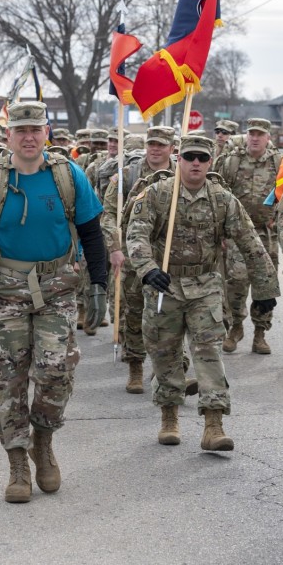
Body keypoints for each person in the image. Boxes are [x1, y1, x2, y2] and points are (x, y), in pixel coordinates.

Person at [0, 101, 107, 504]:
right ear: (9, 136)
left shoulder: (67, 176)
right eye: (20, 130)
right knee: (7, 379)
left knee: (57, 370)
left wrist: (99, 286)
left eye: (35, 130)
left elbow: (92, 234)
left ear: (46, 134)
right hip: (5, 291)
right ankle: (17, 462)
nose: (28, 137)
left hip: (57, 289)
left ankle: (43, 438)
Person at [126, 133, 278, 450]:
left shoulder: (223, 200)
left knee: (209, 353)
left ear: (210, 163)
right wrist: (148, 269)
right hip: (164, 286)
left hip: (205, 286)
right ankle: (169, 417)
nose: (196, 163)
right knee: (165, 353)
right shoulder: (156, 194)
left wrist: (265, 288)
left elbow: (250, 243)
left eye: (202, 158)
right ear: (178, 159)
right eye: (190, 157)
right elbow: (136, 234)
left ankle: (213, 425)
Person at [101, 124, 175, 391]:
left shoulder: (180, 175)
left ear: (171, 148)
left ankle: (167, 368)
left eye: (161, 145)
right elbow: (108, 214)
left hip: (167, 256)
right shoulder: (126, 176)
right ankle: (135, 365)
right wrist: (114, 247)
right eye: (151, 144)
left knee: (168, 313)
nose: (155, 149)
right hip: (133, 254)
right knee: (134, 312)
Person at [215, 117, 283, 359]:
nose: (255, 138)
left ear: (268, 138)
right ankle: (236, 326)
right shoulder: (232, 162)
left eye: (260, 134)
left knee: (265, 283)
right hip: (237, 233)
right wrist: (221, 231)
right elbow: (219, 195)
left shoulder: (280, 163)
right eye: (251, 133)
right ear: (246, 136)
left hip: (266, 233)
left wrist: (280, 219)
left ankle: (260, 332)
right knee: (236, 280)